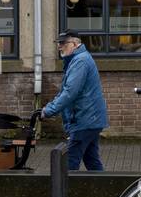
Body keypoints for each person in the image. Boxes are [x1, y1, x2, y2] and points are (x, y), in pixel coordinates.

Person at [36, 30, 109, 171]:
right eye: (58, 43)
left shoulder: (80, 61)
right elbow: (66, 90)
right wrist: (50, 107)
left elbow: (70, 93)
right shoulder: (77, 60)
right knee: (92, 162)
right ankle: (107, 191)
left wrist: (49, 110)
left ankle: (63, 192)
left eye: (63, 43)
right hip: (89, 120)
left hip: (84, 120)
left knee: (68, 164)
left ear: (74, 44)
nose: (59, 46)